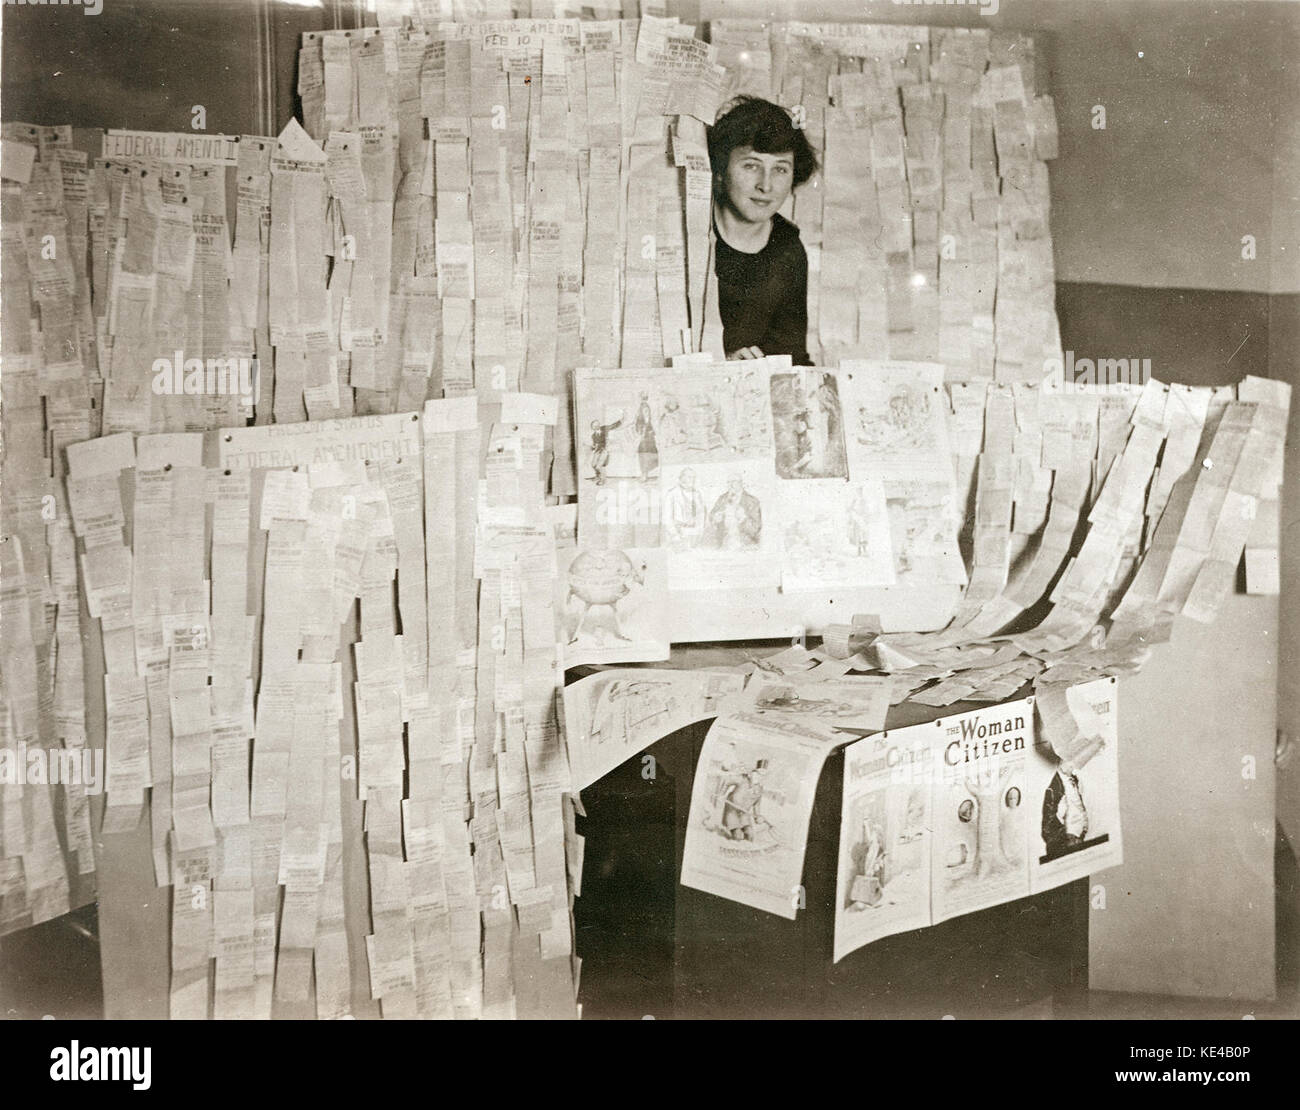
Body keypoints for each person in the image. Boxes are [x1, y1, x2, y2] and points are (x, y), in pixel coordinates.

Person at [708, 97, 816, 365]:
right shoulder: (691, 231)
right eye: (751, 165)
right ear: (721, 170)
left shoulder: (787, 248)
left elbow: (790, 357)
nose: (766, 186)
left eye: (780, 169)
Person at [1041, 762, 1088, 858]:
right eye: (1070, 764)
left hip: (1078, 834)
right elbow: (1047, 826)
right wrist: (1065, 838)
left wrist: (1082, 830)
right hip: (1065, 840)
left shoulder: (1075, 780)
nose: (1073, 767)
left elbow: (1079, 806)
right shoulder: (1054, 786)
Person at [709, 475, 762, 549]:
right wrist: (715, 519)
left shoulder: (752, 501)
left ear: (741, 483)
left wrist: (744, 519)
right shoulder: (722, 499)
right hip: (724, 545)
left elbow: (756, 529)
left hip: (745, 546)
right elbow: (711, 517)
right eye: (729, 482)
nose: (731, 485)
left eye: (734, 481)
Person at [663, 467, 708, 548]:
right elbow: (667, 518)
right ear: (682, 478)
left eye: (694, 477)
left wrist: (701, 531)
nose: (693, 480)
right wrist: (675, 536)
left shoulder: (698, 494)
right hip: (678, 535)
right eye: (689, 477)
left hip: (696, 534)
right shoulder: (672, 494)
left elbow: (702, 514)